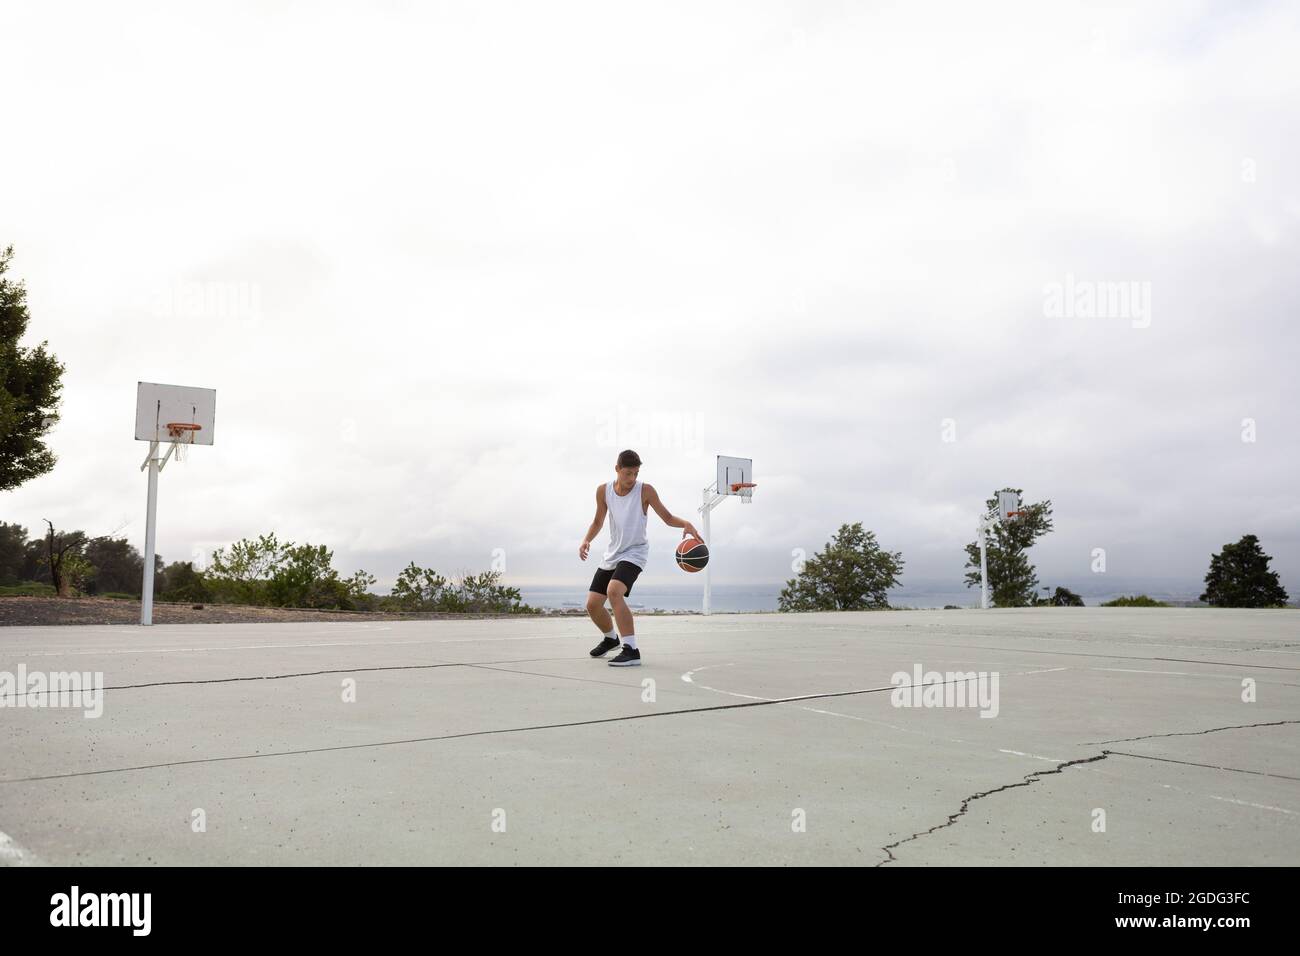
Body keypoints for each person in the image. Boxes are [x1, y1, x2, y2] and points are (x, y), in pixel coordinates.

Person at [579, 449, 701, 666]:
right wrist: (586, 540)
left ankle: (631, 649)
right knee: (592, 604)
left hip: (635, 552)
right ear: (617, 469)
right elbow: (598, 521)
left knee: (614, 592)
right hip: (613, 553)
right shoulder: (603, 491)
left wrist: (686, 523)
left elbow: (667, 517)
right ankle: (611, 639)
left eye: (635, 473)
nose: (632, 478)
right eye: (628, 473)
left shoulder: (645, 491)